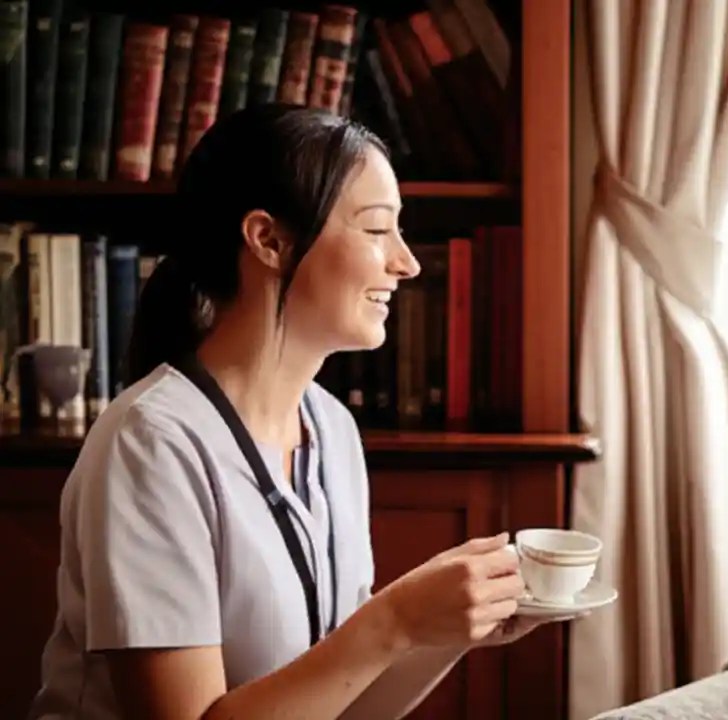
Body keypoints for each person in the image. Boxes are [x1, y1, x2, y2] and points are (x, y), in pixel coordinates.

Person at [28, 104, 573, 719]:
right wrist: (395, 618)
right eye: (376, 230)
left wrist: (444, 629)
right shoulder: (151, 442)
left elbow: (344, 707)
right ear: (269, 240)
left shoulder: (332, 429)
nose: (407, 262)